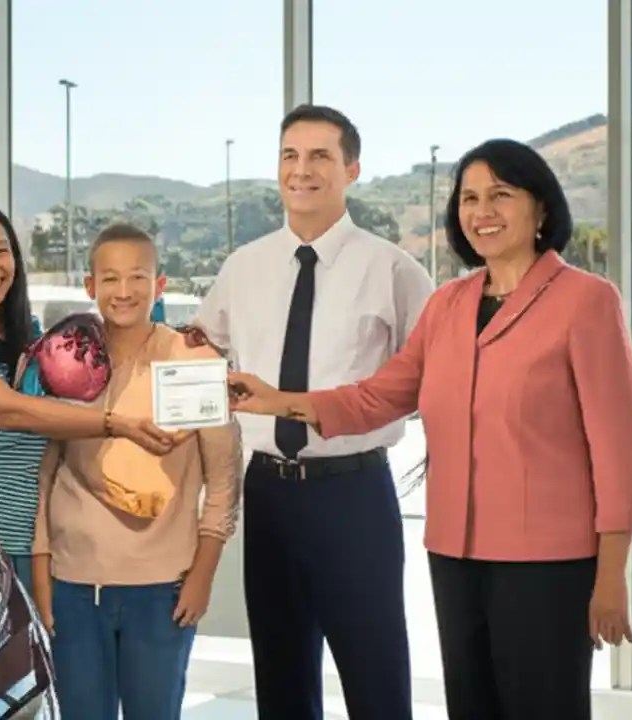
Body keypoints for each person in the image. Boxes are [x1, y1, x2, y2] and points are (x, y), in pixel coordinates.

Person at [227, 137, 632, 720]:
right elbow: (382, 396)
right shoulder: (449, 304)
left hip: (548, 563)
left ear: (542, 209)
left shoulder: (586, 301)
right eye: (470, 198)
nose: (482, 211)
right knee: (470, 707)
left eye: (501, 195)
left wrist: (611, 575)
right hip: (455, 551)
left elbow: (620, 451)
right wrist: (281, 401)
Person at [186, 103, 433, 720]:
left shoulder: (394, 270)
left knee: (376, 677)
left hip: (354, 495)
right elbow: (195, 350)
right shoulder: (243, 268)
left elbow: (428, 376)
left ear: (351, 169)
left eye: (320, 156)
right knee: (281, 679)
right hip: (268, 493)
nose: (302, 170)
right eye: (290, 156)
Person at [0, 200, 181, 589]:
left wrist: (176, 341)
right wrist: (115, 425)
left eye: (0, 251)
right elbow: (10, 411)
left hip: (46, 551)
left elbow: (97, 374)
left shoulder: (25, 336)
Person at [30, 223, 241, 720]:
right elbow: (44, 470)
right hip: (75, 586)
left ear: (159, 285)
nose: (124, 291)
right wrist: (43, 572)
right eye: (110, 279)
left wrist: (203, 575)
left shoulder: (191, 358)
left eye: (138, 277)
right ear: (90, 287)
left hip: (162, 587)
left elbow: (224, 478)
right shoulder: (66, 362)